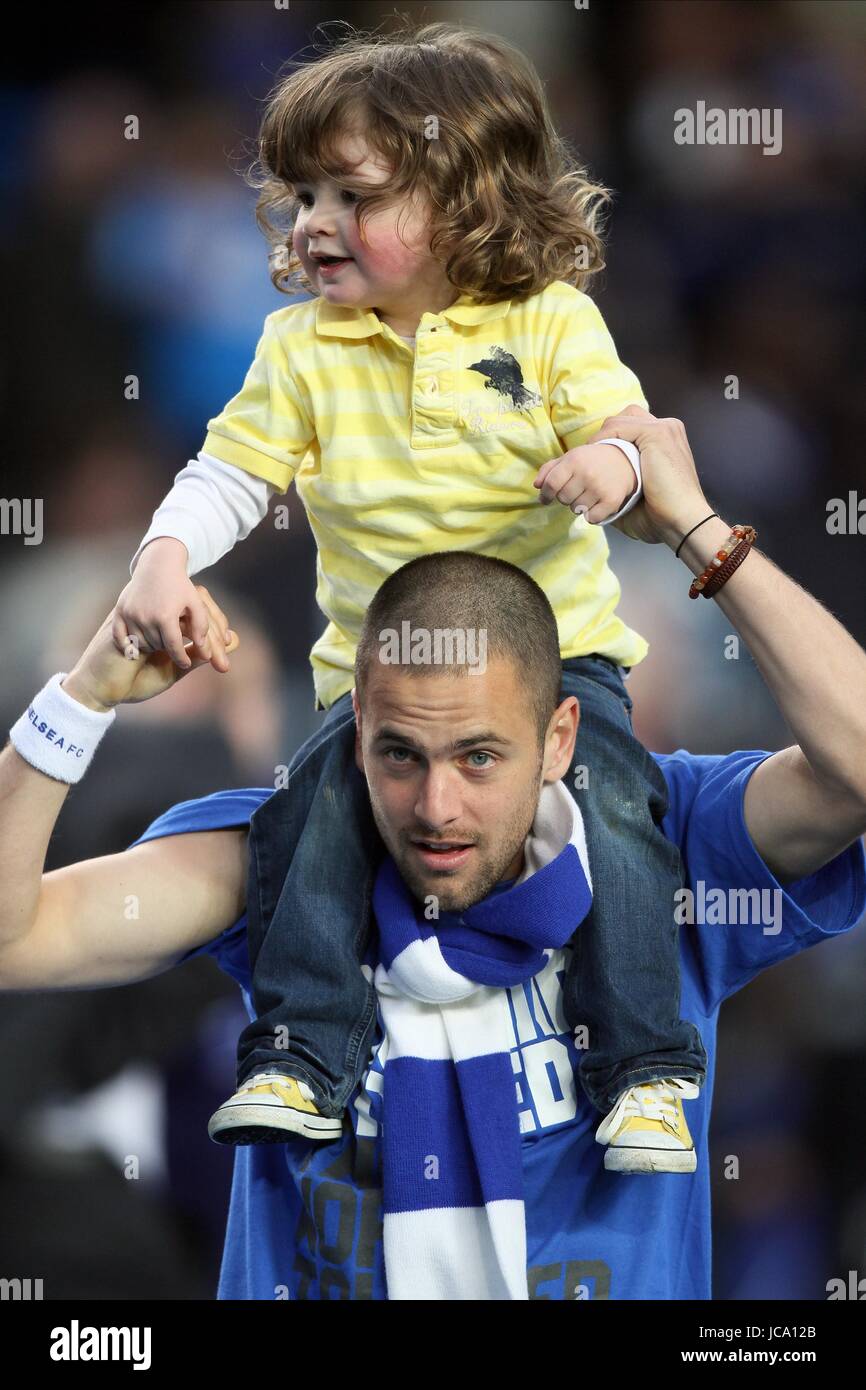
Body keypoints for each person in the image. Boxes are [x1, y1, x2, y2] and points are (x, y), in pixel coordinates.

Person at [3, 413, 865, 1300]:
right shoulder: (286, 849)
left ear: (562, 738)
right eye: (400, 755)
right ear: (356, 734)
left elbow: (858, 768)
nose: (437, 808)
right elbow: (12, 938)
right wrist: (84, 696)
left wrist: (701, 535)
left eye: (480, 758)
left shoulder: (664, 837)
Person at [107, 20, 707, 1166]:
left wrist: (611, 469)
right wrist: (164, 554)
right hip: (375, 688)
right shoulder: (300, 349)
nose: (313, 222)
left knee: (622, 819)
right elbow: (231, 470)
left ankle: (643, 1071)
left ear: (464, 201)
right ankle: (298, 1054)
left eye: (351, 195)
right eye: (302, 195)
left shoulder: (547, 323)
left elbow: (637, 438)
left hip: (556, 664)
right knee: (311, 818)